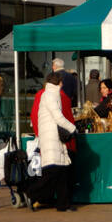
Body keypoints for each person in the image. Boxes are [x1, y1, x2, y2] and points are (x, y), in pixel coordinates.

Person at [32, 74, 77, 212]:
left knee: (61, 170)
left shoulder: (50, 94)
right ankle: (30, 193)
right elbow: (58, 116)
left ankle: (63, 204)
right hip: (51, 137)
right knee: (53, 171)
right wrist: (73, 128)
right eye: (61, 82)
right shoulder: (50, 95)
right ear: (58, 82)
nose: (63, 84)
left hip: (52, 137)